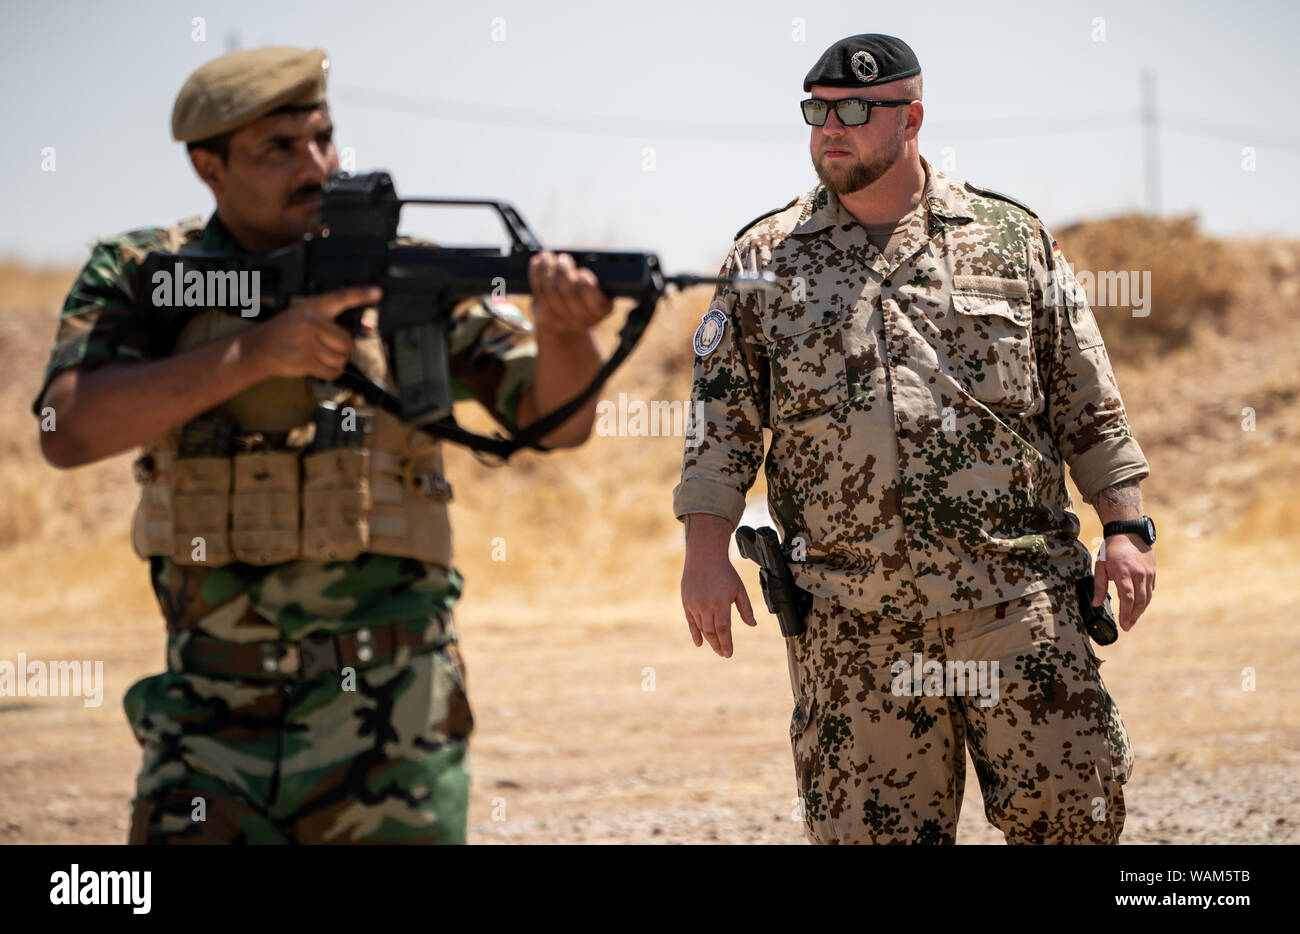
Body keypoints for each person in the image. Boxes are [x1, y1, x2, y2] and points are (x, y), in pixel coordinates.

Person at [33, 46, 614, 844]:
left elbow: (560, 422)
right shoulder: (139, 272)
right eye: (279, 148)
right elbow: (65, 428)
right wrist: (252, 355)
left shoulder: (411, 276)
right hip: (208, 718)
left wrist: (565, 335)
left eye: (324, 139)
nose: (316, 166)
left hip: (392, 718)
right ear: (209, 166)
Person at [674, 34, 1156, 844]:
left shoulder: (1009, 238)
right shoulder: (765, 259)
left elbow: (1087, 401)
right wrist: (703, 553)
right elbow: (721, 423)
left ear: (913, 118)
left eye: (855, 112)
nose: (831, 128)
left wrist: (1126, 527)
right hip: (853, 622)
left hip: (1017, 601)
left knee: (1073, 820)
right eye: (818, 112)